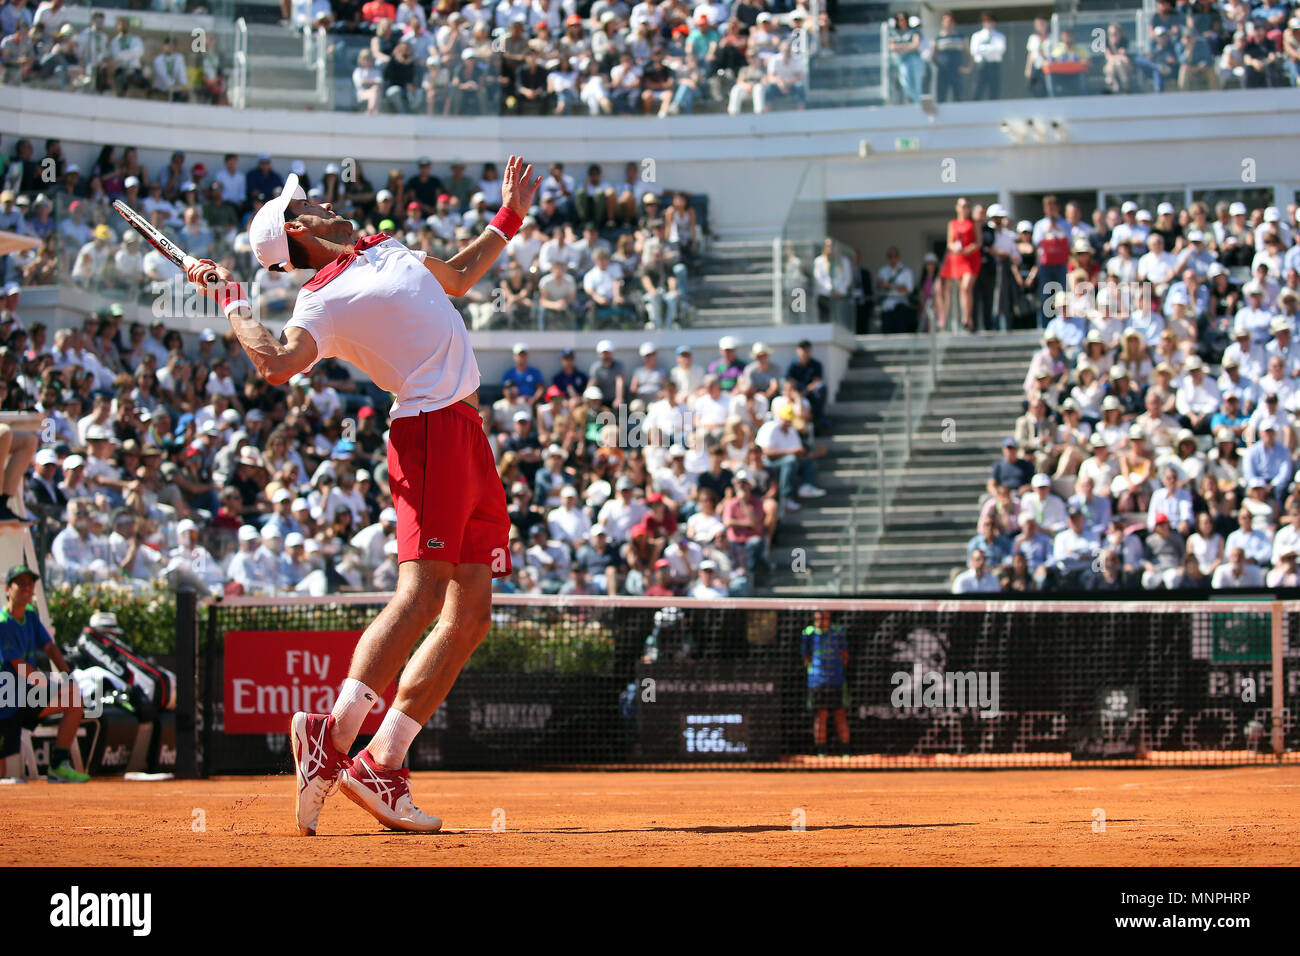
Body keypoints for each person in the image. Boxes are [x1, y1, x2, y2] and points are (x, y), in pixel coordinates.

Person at [183, 155, 541, 835]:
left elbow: (459, 276)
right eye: (308, 203)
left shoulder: (383, 242)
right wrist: (235, 304)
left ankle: (384, 761)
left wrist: (510, 217)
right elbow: (275, 364)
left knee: (471, 617)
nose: (321, 202)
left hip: (467, 429)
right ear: (299, 231)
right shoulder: (319, 299)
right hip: (427, 430)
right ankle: (332, 734)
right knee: (422, 594)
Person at [0, 565, 90, 782]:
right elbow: (19, 666)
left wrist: (68, 678)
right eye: (20, 583)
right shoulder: (3, 624)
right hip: (5, 701)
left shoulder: (30, 617)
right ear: (7, 589)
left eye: (30, 584)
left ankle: (58, 766)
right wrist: (47, 684)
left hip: (26, 696)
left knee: (73, 699)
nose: (27, 588)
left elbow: (50, 648)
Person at [801, 610, 848, 756]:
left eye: (825, 616)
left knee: (840, 715)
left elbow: (845, 656)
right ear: (815, 616)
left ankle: (845, 751)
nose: (822, 619)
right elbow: (806, 657)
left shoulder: (838, 632)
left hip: (836, 680)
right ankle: (821, 752)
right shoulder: (808, 633)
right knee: (820, 716)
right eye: (819, 616)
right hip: (817, 682)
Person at [937, 197, 980, 333]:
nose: (964, 208)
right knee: (961, 289)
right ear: (957, 207)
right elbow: (949, 242)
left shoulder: (973, 223)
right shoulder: (952, 224)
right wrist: (955, 248)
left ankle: (967, 318)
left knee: (967, 287)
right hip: (958, 259)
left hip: (971, 259)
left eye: (966, 206)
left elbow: (978, 242)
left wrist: (968, 250)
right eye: (961, 206)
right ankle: (964, 319)